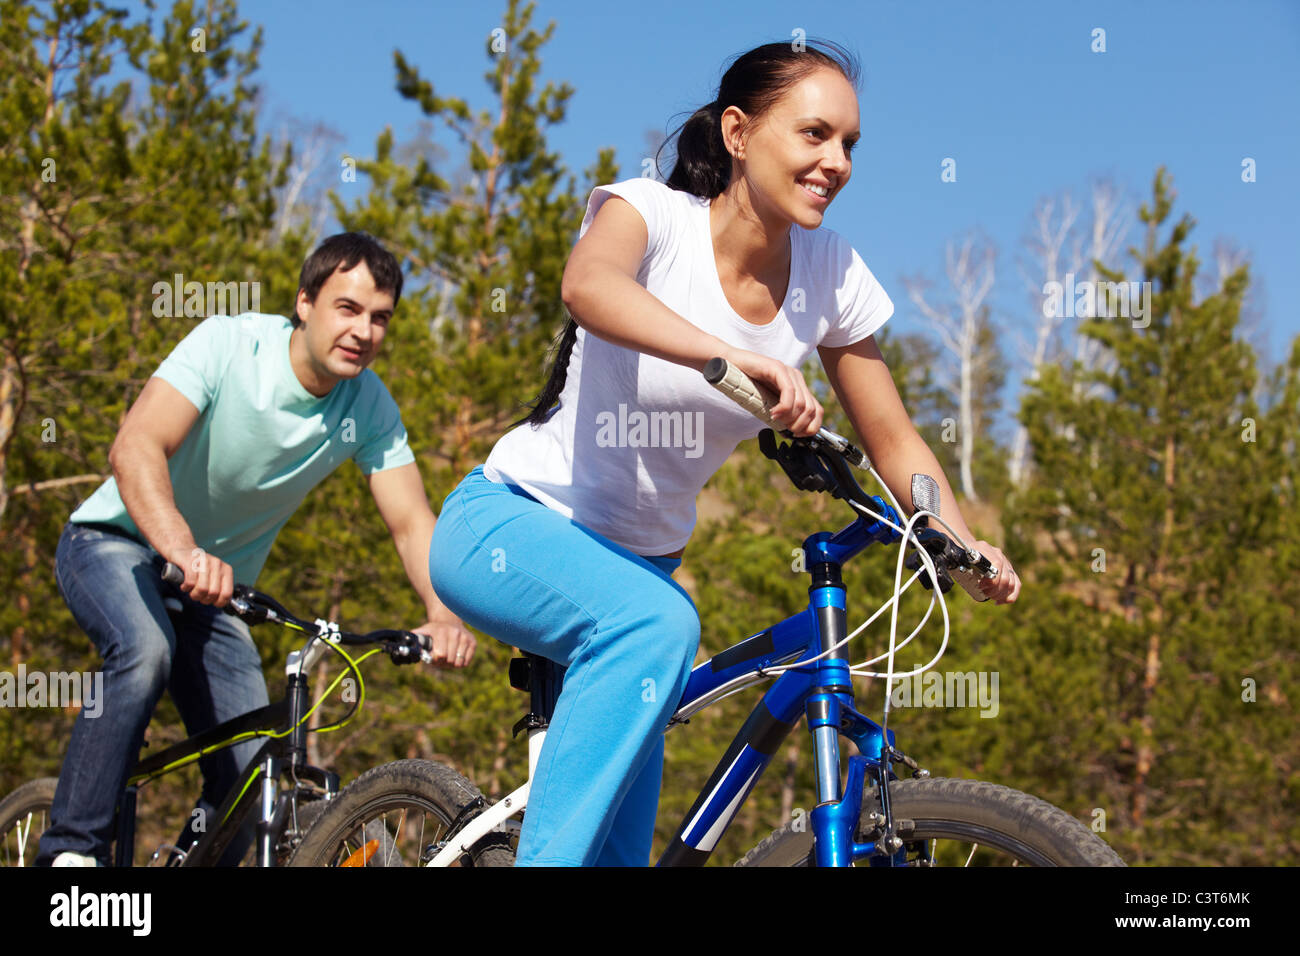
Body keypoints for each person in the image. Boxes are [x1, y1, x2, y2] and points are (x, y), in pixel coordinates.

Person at [429, 40, 1020, 867]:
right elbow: (589, 286)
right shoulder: (650, 213)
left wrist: (959, 543)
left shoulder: (832, 270)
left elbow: (892, 437)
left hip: (638, 583)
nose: (836, 161)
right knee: (661, 626)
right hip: (506, 527)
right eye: (814, 134)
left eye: (850, 144)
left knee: (622, 855)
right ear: (739, 132)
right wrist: (725, 354)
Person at [37, 233, 477, 867]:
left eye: (380, 318)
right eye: (347, 308)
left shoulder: (368, 406)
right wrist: (183, 550)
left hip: (213, 592)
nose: (363, 331)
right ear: (304, 302)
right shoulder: (230, 343)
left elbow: (410, 521)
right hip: (116, 543)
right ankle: (71, 855)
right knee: (144, 651)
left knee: (255, 775)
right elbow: (134, 447)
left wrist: (442, 613)